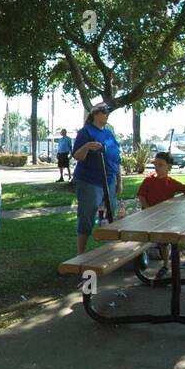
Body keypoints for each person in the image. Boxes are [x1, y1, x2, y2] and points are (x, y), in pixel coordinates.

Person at [69, 106, 121, 257]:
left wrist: (119, 181)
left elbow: (117, 159)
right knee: (87, 215)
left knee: (110, 214)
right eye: (105, 112)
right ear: (96, 114)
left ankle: (108, 251)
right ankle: (80, 254)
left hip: (109, 180)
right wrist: (87, 146)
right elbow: (77, 156)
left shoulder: (109, 133)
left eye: (108, 112)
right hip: (89, 181)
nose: (107, 115)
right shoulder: (85, 132)